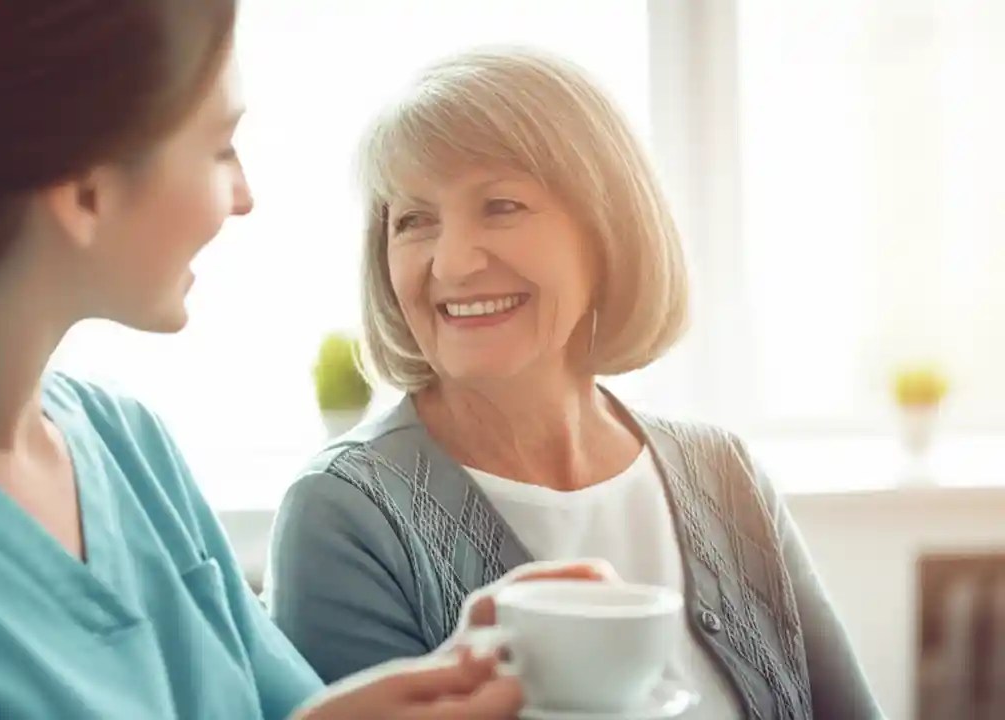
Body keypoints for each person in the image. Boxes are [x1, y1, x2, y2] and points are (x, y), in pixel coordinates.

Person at [0, 3, 540, 717]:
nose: (244, 193)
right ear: (86, 192)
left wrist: (453, 675)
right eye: (221, 148)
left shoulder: (123, 444)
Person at [267, 46, 885, 719]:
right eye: (415, 221)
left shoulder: (722, 473)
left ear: (607, 232)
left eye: (501, 206)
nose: (453, 261)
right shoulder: (345, 513)